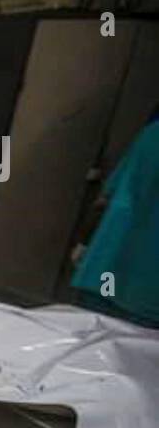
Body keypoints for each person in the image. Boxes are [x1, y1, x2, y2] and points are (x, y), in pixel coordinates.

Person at [70, 104, 159, 327]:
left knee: (84, 349)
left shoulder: (153, 135)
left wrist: (84, 241)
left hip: (105, 277)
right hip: (150, 302)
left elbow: (108, 197)